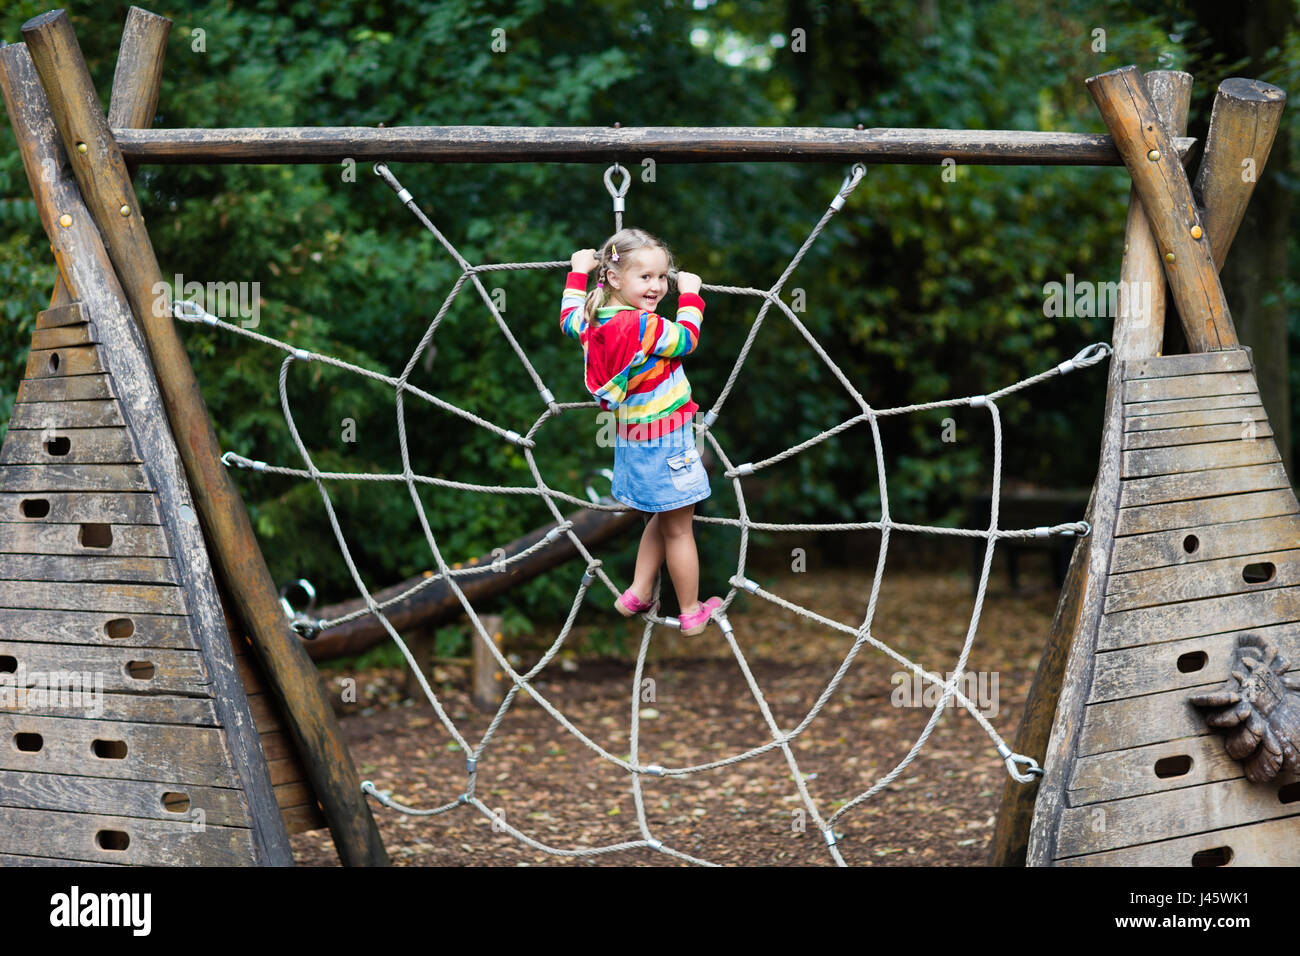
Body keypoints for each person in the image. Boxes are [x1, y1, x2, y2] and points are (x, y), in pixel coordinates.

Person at [560, 227, 722, 636]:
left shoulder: (593, 320)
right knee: (681, 528)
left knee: (662, 515)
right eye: (646, 277)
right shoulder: (643, 327)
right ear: (615, 278)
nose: (657, 286)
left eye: (663, 277)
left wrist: (578, 272)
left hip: (631, 441)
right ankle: (690, 611)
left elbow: (566, 319)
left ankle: (636, 590)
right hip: (669, 440)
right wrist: (690, 294)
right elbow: (686, 339)